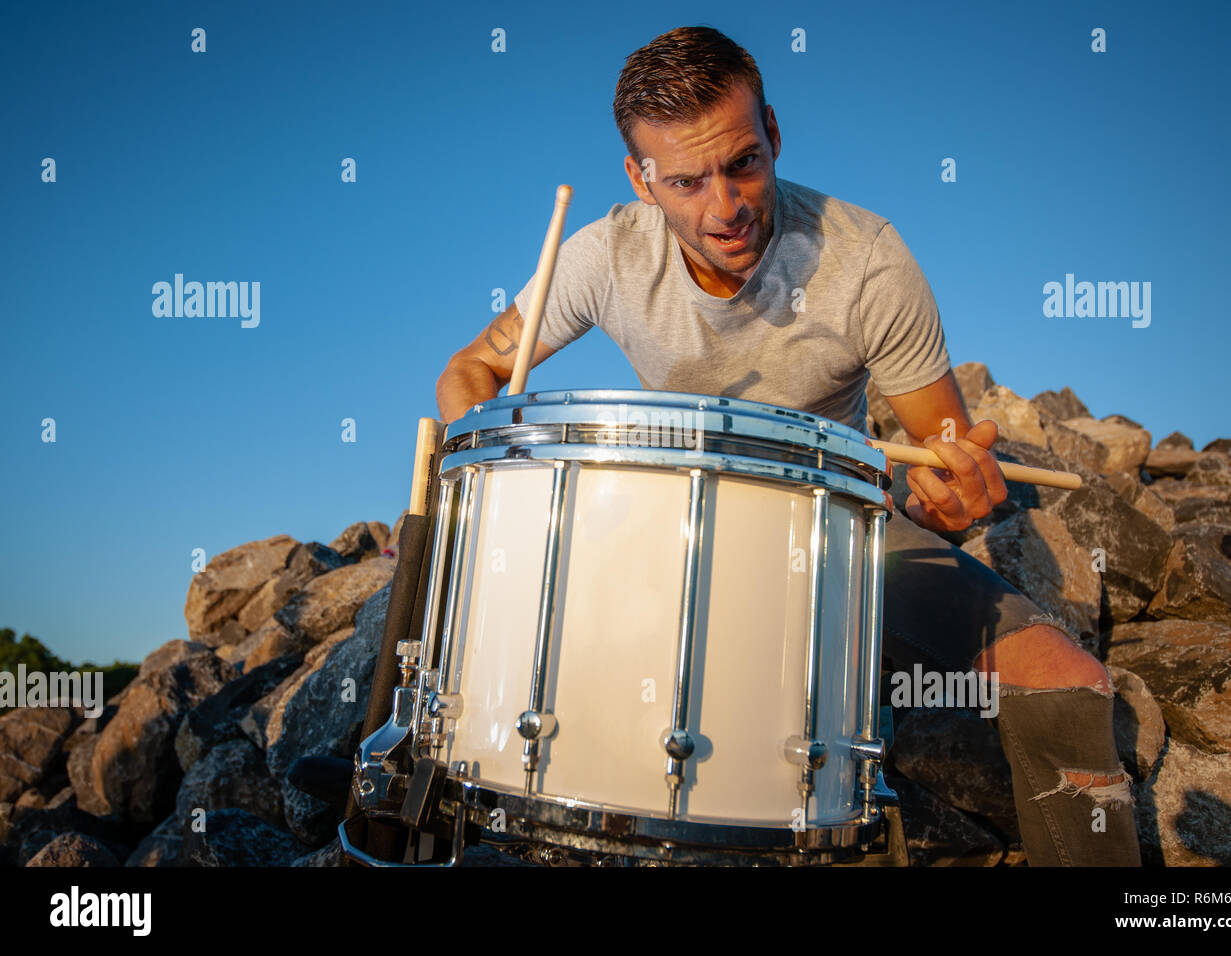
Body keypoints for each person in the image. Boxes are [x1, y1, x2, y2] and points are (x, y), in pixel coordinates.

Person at [435, 26, 1141, 866]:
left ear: (773, 130)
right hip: (665, 531)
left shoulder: (867, 262)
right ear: (641, 178)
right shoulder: (603, 256)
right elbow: (473, 369)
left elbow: (940, 456)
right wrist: (492, 463)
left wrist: (948, 495)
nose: (724, 206)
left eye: (742, 164)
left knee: (1069, 685)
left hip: (839, 531)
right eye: (687, 181)